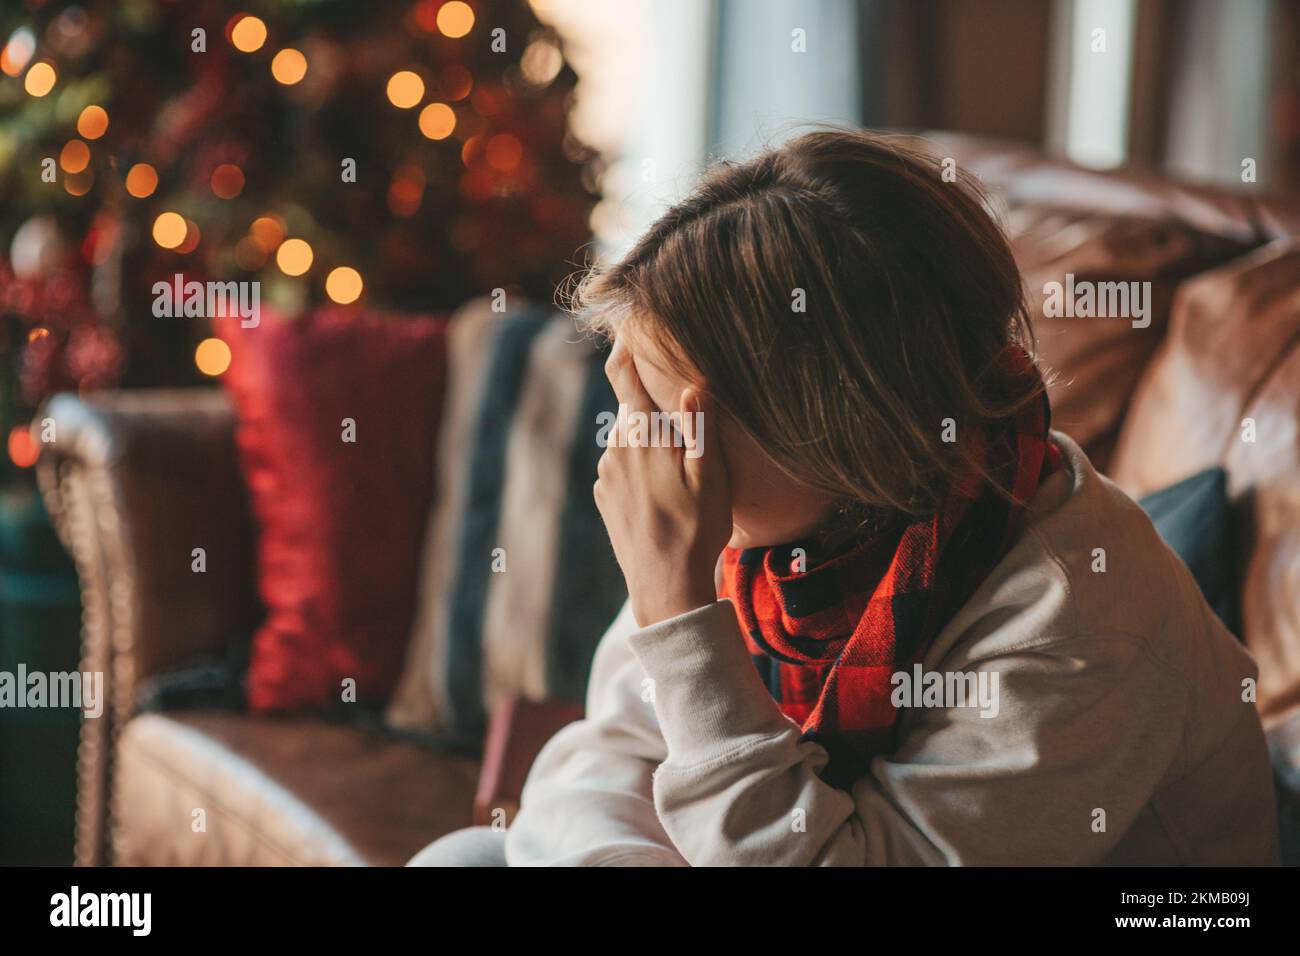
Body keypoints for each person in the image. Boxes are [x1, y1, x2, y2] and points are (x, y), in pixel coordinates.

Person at [408, 128, 1279, 867]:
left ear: (828, 426)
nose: (638, 454)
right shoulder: (781, 538)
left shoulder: (1077, 622)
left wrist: (678, 616)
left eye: (666, 415)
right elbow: (610, 752)